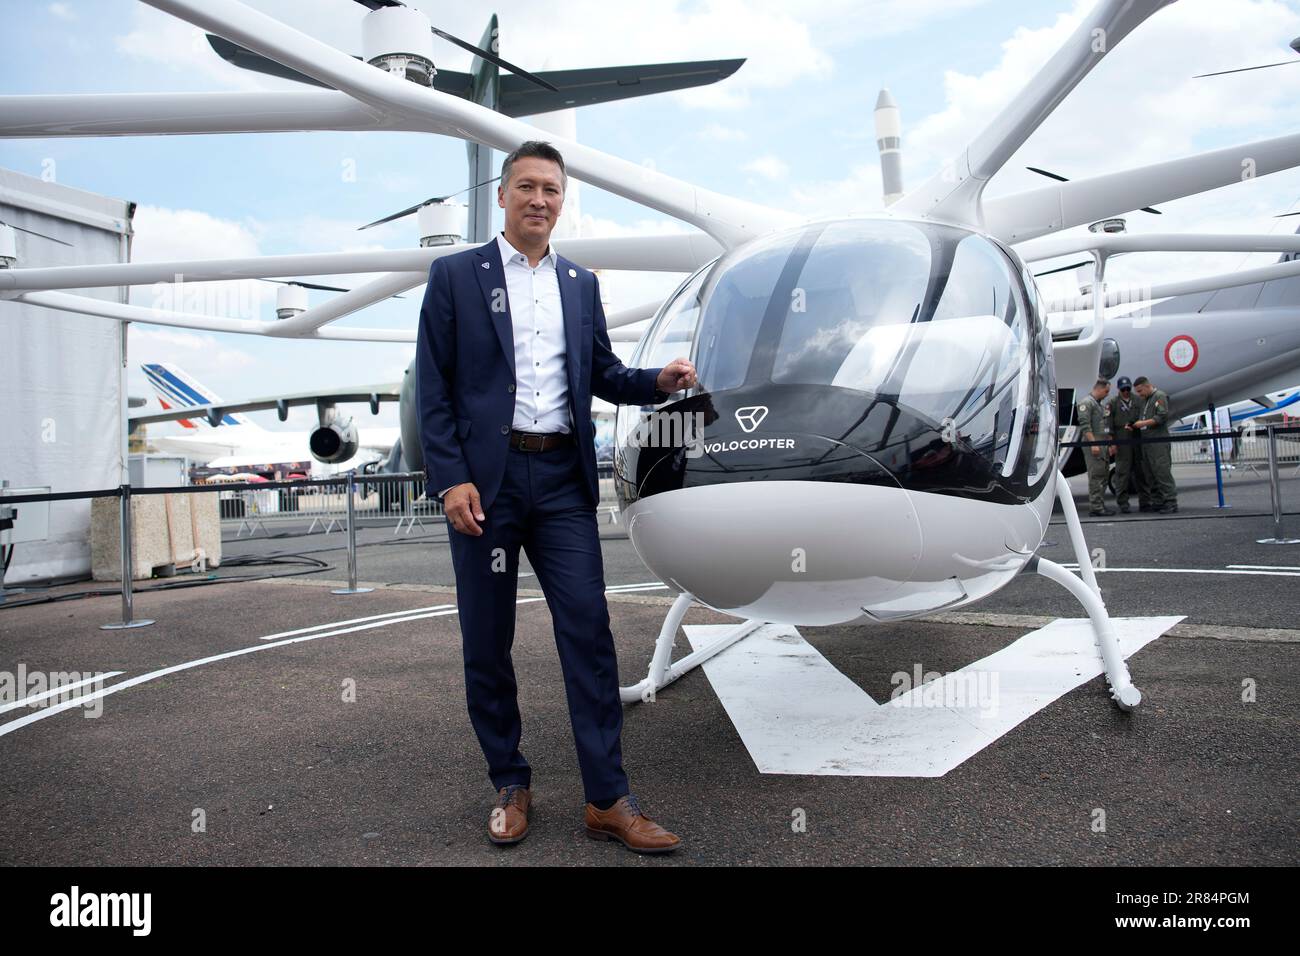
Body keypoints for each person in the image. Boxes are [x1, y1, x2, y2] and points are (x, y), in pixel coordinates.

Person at [416, 140, 697, 854]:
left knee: (588, 633)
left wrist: (654, 382)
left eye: (552, 190)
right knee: (487, 639)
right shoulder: (454, 276)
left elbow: (599, 369)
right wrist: (450, 477)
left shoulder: (579, 283)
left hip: (563, 483)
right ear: (503, 194)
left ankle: (607, 798)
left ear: (561, 201)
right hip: (488, 484)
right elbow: (434, 388)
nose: (541, 199)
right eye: (528, 187)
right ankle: (510, 781)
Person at [1132, 376, 1178, 513]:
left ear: (1147, 386)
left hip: (1158, 441)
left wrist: (1143, 424)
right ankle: (1158, 501)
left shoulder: (1159, 396)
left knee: (1161, 471)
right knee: (1150, 473)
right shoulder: (1145, 400)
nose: (1139, 394)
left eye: (1140, 391)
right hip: (1147, 442)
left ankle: (1170, 501)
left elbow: (1162, 416)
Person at [1108, 376, 1151, 513]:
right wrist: (1112, 443)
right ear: (1119, 389)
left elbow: (1144, 417)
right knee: (1122, 474)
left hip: (1136, 438)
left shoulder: (1138, 400)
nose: (1126, 391)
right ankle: (1123, 504)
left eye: (1127, 389)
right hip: (1121, 441)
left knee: (1141, 473)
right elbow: (1109, 425)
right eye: (1123, 389)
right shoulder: (1113, 403)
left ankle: (1145, 502)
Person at [1078, 378, 1115, 516]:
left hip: (1102, 444)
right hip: (1094, 445)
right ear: (1099, 389)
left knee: (1103, 475)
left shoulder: (1098, 405)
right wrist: (1093, 443)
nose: (1107, 394)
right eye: (1106, 391)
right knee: (1096, 476)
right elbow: (1085, 425)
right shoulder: (1086, 403)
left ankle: (1099, 504)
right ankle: (1096, 507)